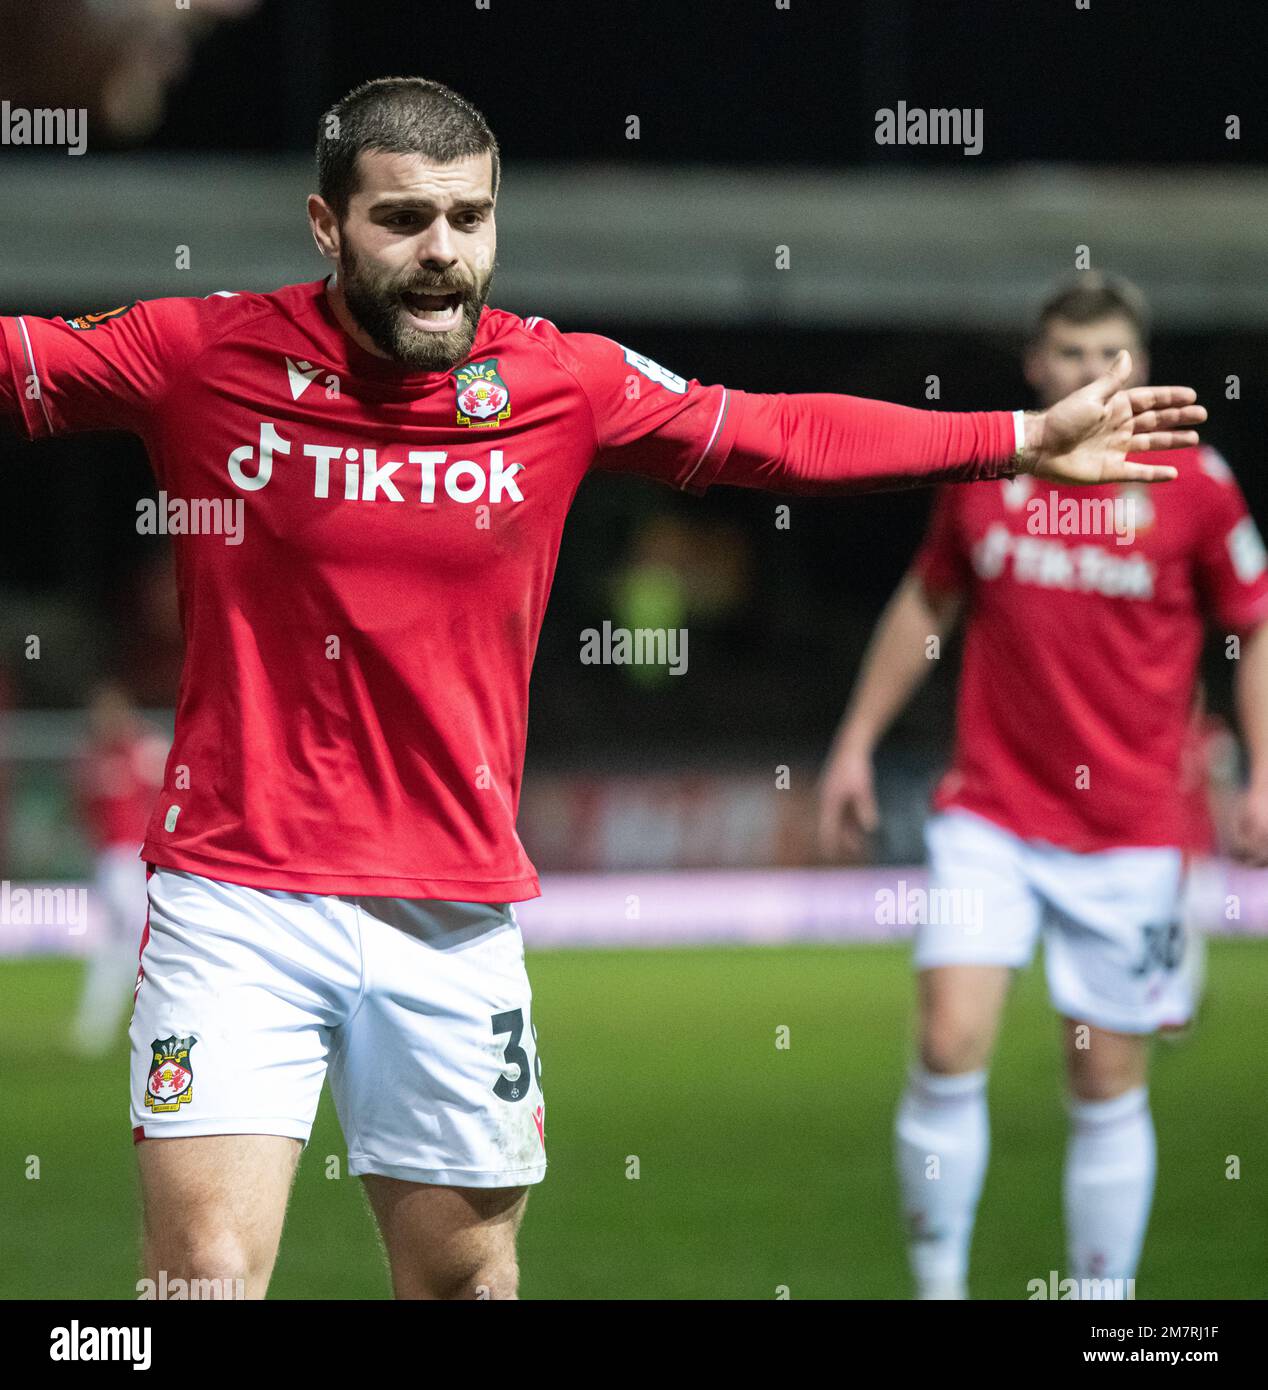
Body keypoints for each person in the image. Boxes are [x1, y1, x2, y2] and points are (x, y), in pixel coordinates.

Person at [0, 80, 1205, 1300]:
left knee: (467, 1282)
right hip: (236, 899)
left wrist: (1010, 435)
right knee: (202, 1275)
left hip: (450, 909)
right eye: (404, 220)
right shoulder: (202, 354)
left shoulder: (557, 381)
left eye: (469, 219)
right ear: (326, 226)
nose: (442, 255)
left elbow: (772, 434)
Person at [818, 275, 1268, 1299]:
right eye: (1066, 354)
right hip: (992, 810)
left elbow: (1254, 625)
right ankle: (939, 1288)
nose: (1085, 372)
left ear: (1139, 365)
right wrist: (852, 740)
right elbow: (924, 604)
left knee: (1101, 1080)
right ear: (1034, 364)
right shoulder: (985, 471)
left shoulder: (1193, 483)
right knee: (945, 1039)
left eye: (1107, 352)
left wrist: (1259, 770)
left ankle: (1101, 1307)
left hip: (1130, 827)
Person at [71, 683, 167, 1057]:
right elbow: (87, 812)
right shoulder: (94, 759)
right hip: (114, 860)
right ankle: (131, 1017)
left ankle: (102, 1022)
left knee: (123, 941)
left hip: (140, 856)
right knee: (129, 940)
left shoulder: (145, 750)